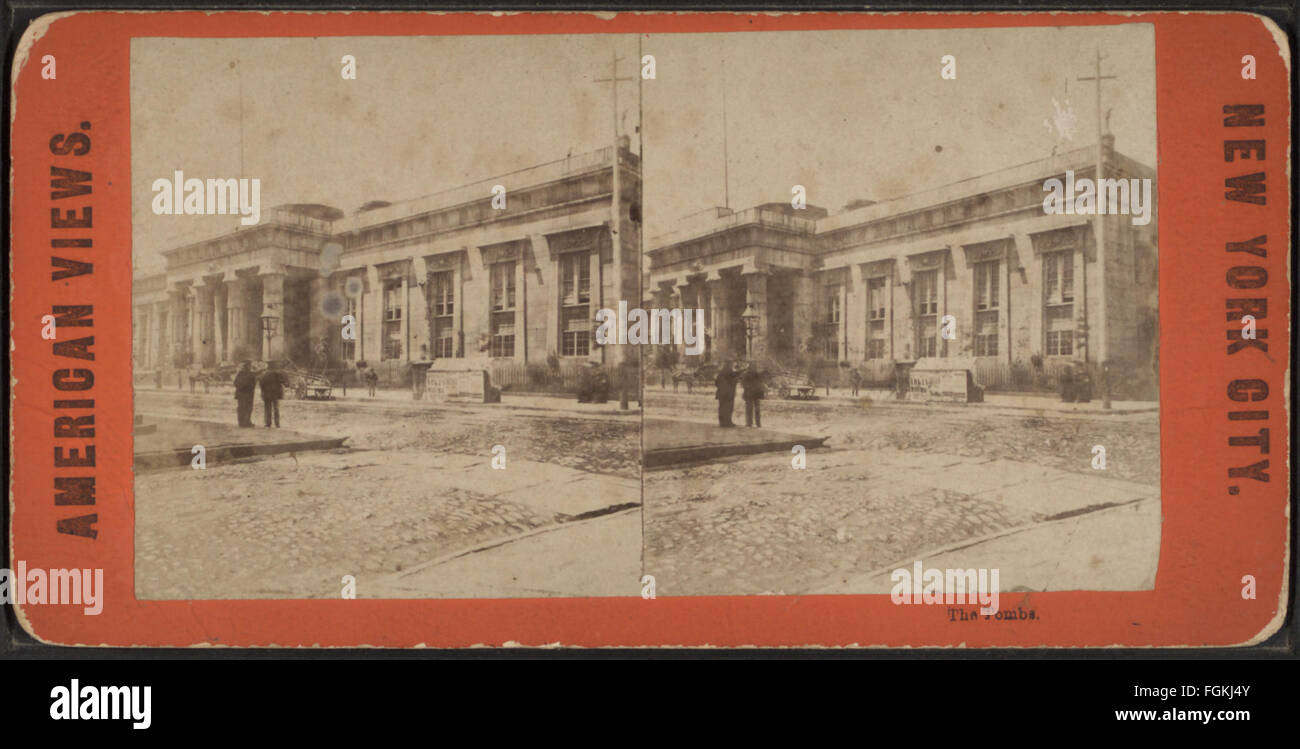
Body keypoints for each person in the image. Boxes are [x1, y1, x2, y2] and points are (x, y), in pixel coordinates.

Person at [714, 360, 739, 428]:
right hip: (729, 394)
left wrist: (721, 388)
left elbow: (716, 383)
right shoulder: (730, 372)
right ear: (729, 365)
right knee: (729, 408)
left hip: (721, 393)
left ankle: (722, 423)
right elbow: (734, 381)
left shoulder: (721, 372)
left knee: (722, 408)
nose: (732, 366)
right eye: (731, 364)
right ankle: (728, 422)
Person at [233, 361, 257, 428]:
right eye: (249, 366)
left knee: (241, 408)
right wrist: (246, 387)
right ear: (248, 366)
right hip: (248, 394)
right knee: (248, 408)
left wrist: (241, 387)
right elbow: (253, 384)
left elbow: (235, 383)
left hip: (241, 395)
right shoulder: (251, 374)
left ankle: (241, 422)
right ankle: (247, 422)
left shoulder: (240, 374)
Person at [741, 362, 765, 428]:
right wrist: (750, 387)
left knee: (757, 409)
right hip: (749, 393)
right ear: (750, 367)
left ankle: (758, 423)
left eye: (755, 366)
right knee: (749, 408)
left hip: (756, 393)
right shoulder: (745, 374)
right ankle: (749, 423)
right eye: (753, 366)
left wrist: (761, 389)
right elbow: (743, 383)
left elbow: (760, 382)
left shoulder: (757, 374)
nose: (754, 367)